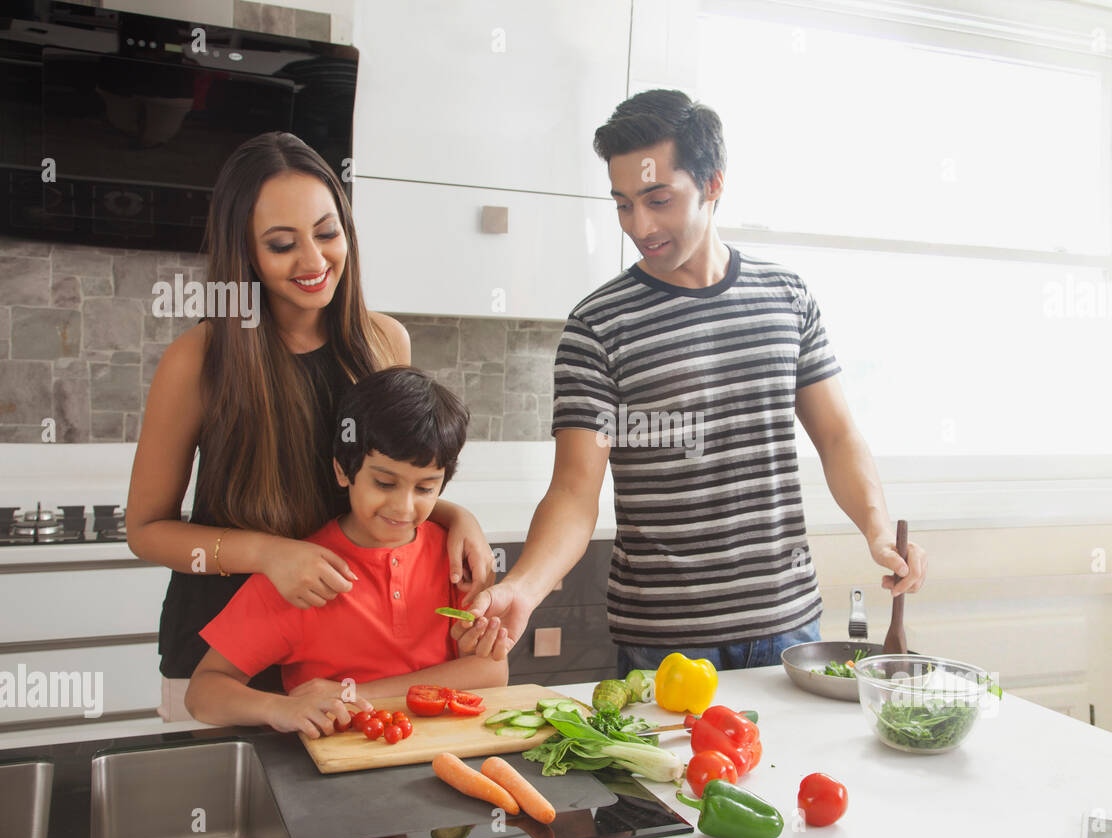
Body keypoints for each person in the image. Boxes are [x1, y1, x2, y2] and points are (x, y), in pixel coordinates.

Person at [452, 89, 929, 675]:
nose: (640, 226)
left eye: (659, 200)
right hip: (664, 644)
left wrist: (878, 528)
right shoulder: (597, 326)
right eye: (624, 204)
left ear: (714, 184)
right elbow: (575, 493)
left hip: (788, 625)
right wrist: (522, 588)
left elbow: (836, 437)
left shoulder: (787, 297)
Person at [126, 132, 495, 720]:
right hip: (223, 660)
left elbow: (391, 468)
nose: (315, 261)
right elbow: (146, 530)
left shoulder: (383, 340)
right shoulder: (198, 359)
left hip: (340, 661)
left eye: (328, 234)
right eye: (281, 244)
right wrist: (271, 555)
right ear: (244, 252)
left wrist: (456, 515)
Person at [185, 367, 511, 736]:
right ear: (343, 471)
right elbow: (203, 692)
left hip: (441, 754)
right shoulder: (302, 575)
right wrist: (278, 708)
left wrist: (352, 693)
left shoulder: (454, 557)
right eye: (384, 482)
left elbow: (491, 670)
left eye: (425, 488)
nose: (404, 508)